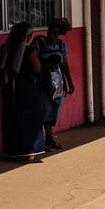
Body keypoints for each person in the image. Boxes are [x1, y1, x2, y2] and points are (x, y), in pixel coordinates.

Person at [0, 22, 47, 160]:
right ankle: (28, 151)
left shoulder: (5, 48)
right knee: (29, 120)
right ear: (29, 36)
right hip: (27, 90)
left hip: (9, 88)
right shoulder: (29, 51)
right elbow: (38, 69)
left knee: (11, 119)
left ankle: (12, 151)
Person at [29, 17, 75, 150]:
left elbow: (64, 64)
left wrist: (69, 82)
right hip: (43, 82)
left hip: (57, 81)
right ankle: (42, 141)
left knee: (54, 110)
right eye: (60, 31)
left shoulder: (61, 45)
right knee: (44, 110)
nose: (60, 34)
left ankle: (49, 138)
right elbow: (32, 62)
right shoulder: (39, 42)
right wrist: (48, 64)